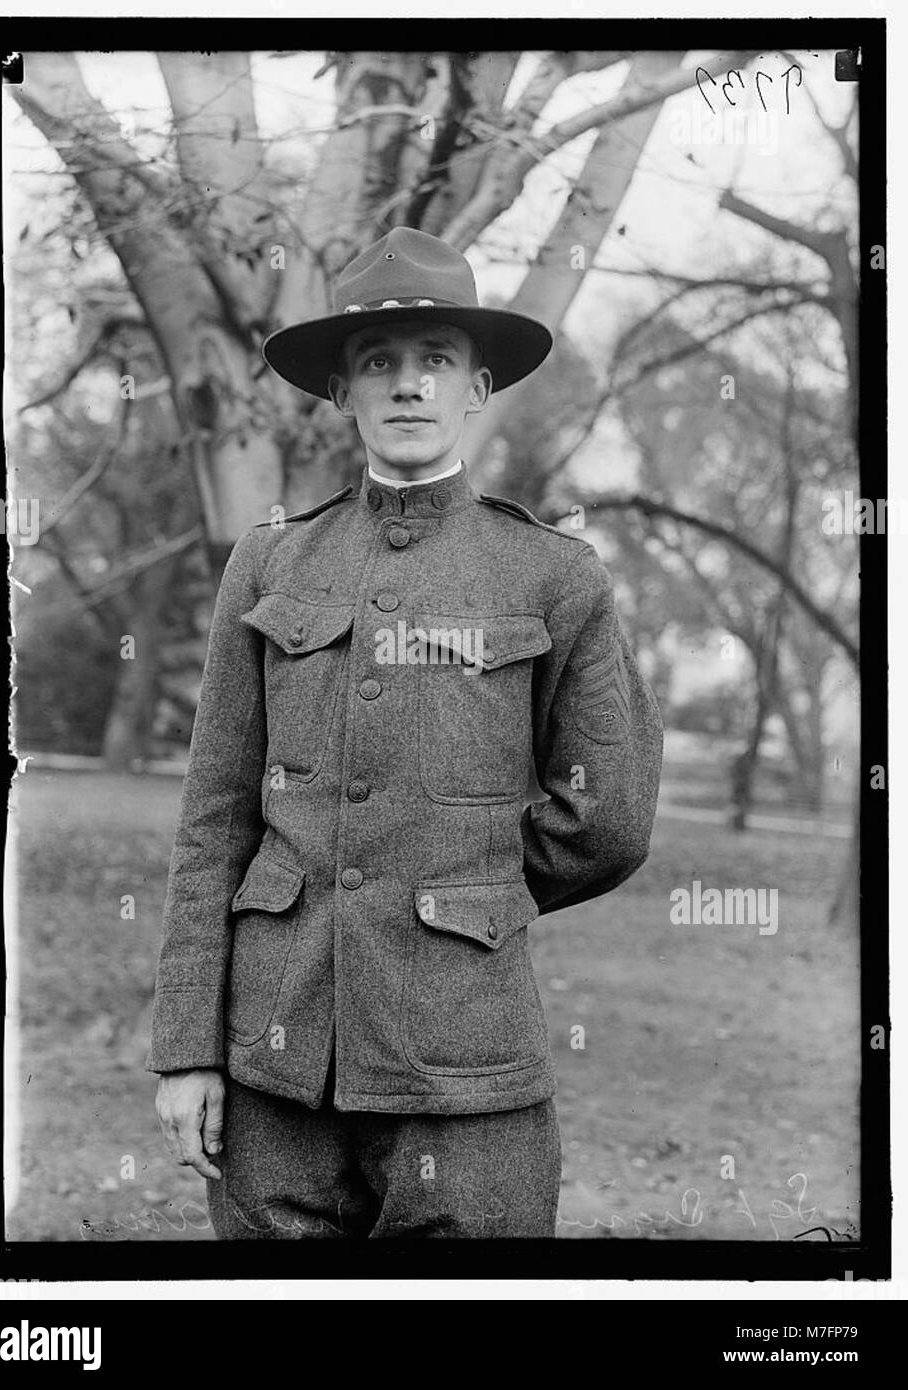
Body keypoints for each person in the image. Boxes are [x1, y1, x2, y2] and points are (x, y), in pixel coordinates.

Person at [146, 226, 663, 1238]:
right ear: (342, 391)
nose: (408, 385)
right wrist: (187, 1048)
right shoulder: (268, 565)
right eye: (379, 363)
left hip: (467, 1076)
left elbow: (611, 818)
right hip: (275, 1066)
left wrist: (464, 888)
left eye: (436, 360)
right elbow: (212, 821)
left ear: (477, 387)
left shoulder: (552, 573)